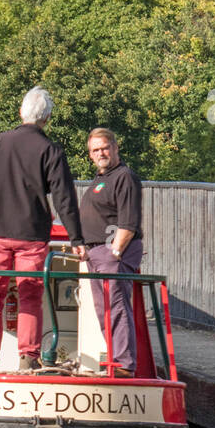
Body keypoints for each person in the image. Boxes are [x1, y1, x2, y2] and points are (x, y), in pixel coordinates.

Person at [0, 87, 85, 372]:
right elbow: (64, 198)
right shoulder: (50, 150)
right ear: (47, 118)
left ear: (20, 113)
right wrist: (76, 237)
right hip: (32, 234)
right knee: (30, 294)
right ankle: (28, 358)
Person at [80, 128, 143, 378]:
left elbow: (128, 223)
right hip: (96, 254)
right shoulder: (100, 178)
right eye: (95, 150)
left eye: (105, 147)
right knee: (103, 309)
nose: (101, 153)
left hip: (112, 252)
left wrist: (114, 253)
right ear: (90, 155)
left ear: (115, 147)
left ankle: (124, 365)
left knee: (116, 306)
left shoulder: (124, 177)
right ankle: (116, 362)